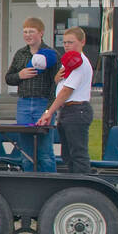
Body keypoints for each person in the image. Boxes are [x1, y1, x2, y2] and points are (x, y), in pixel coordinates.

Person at [4, 17, 58, 172]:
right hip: (24, 103)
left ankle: (50, 184)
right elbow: (9, 78)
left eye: (31, 32)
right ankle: (28, 183)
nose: (27, 35)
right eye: (25, 32)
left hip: (43, 102)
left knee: (45, 151)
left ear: (41, 33)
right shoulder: (21, 54)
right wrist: (20, 75)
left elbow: (56, 84)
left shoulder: (51, 54)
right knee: (26, 150)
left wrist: (49, 110)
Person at [38, 27, 94, 173]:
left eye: (71, 42)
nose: (67, 45)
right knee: (67, 154)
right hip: (67, 109)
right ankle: (74, 182)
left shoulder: (79, 62)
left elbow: (67, 91)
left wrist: (49, 112)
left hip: (77, 109)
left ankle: (83, 187)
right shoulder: (69, 61)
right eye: (65, 42)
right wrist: (57, 79)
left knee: (78, 153)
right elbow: (62, 84)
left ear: (82, 42)